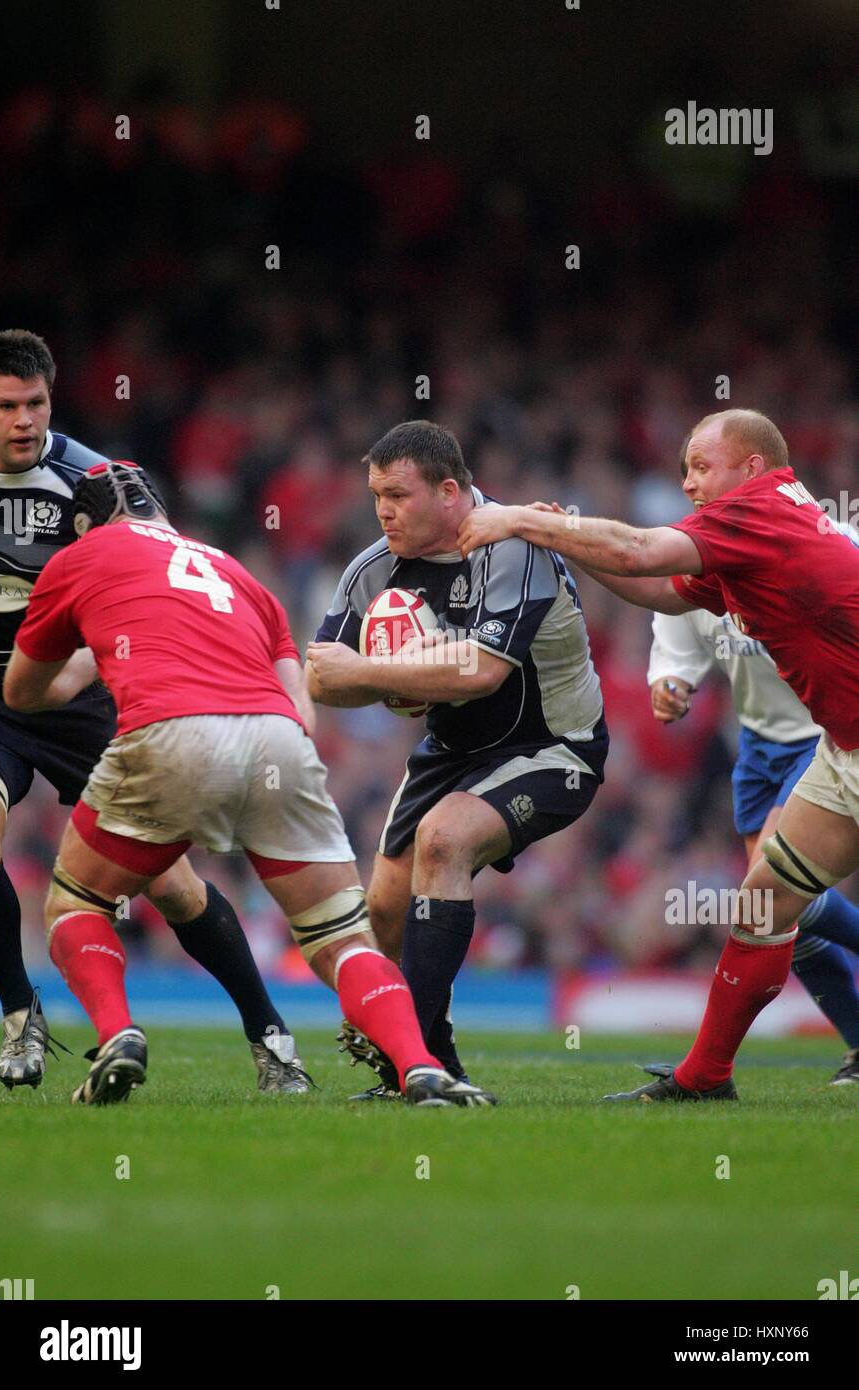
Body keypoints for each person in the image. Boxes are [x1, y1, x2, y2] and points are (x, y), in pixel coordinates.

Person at [3, 459, 488, 1108]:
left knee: (76, 906)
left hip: (169, 732)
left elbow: (22, 691)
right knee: (340, 941)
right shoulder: (232, 571)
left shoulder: (78, 559)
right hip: (277, 741)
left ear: (85, 525)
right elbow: (304, 709)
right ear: (161, 514)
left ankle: (118, 1034)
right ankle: (418, 1064)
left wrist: (93, 658)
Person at [458, 407, 859, 1100]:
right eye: (682, 472)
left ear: (752, 468)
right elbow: (661, 590)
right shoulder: (758, 529)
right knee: (766, 904)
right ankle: (704, 1078)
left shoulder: (758, 511)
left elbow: (640, 552)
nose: (689, 484)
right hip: (842, 748)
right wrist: (568, 543)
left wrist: (523, 519)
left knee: (768, 902)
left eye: (702, 467)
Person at [0, 330, 304, 1095]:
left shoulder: (98, 481)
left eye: (35, 403)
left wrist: (77, 671)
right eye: (5, 406)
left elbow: (163, 590)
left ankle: (271, 1034)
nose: (24, 420)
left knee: (168, 884)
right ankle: (21, 1014)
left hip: (81, 695)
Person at [306, 419, 608, 1098]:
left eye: (396, 494)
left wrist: (381, 671)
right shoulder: (371, 569)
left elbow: (480, 673)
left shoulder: (512, 547)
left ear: (449, 492)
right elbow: (322, 675)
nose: (382, 509)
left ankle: (420, 1065)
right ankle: (428, 1067)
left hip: (553, 748)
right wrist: (383, 674)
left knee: (442, 842)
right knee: (381, 915)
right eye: (374, 494)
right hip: (448, 755)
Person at [648, 606, 859, 1084]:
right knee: (780, 920)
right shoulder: (700, 566)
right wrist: (670, 680)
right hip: (757, 748)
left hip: (820, 735)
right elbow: (674, 628)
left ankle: (705, 1072)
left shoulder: (823, 543)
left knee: (769, 899)